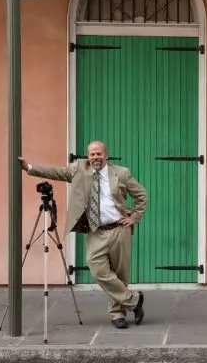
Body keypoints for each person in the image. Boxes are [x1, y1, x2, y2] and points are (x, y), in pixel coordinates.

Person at [19, 140, 148, 329]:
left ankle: (117, 313)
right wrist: (29, 167)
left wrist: (134, 217)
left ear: (106, 155)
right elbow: (57, 173)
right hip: (96, 231)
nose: (95, 157)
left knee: (120, 274)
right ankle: (134, 300)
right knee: (97, 269)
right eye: (92, 154)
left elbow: (141, 195)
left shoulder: (121, 173)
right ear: (88, 156)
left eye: (99, 154)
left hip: (119, 229)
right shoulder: (79, 168)